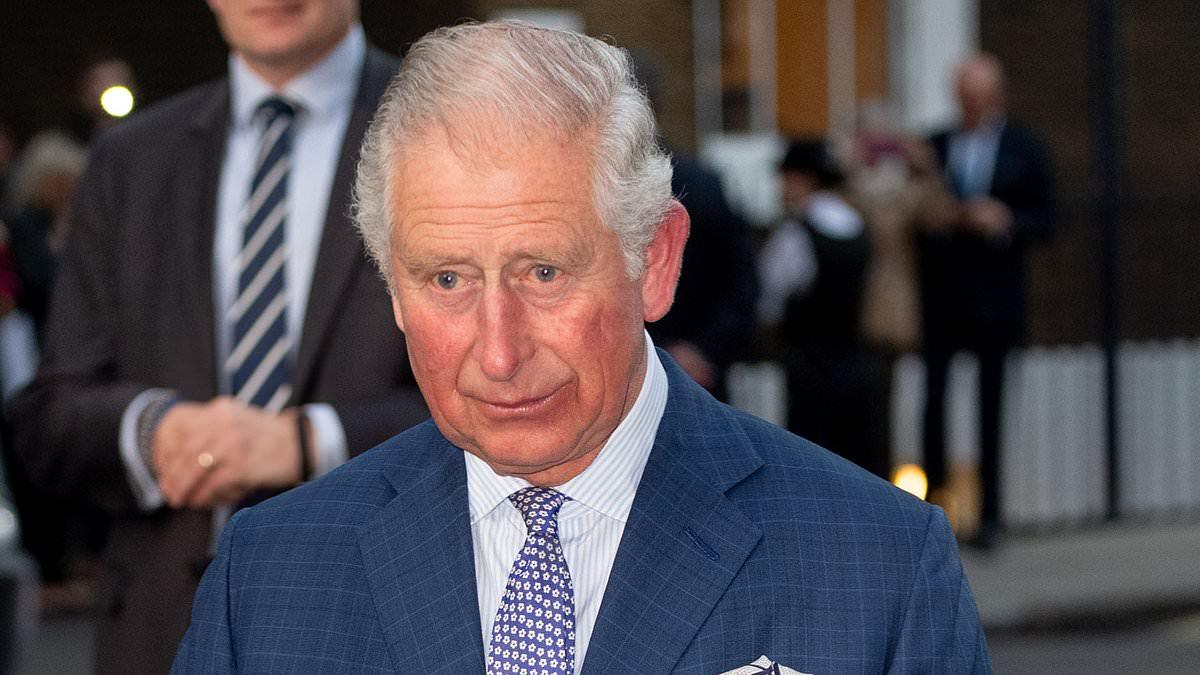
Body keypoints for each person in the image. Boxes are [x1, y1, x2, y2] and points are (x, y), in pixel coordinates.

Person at [173, 21, 989, 674]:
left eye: (545, 270)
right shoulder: (269, 575)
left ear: (656, 260)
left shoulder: (879, 566)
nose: (498, 353)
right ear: (393, 288)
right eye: (448, 279)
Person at [10, 1, 427, 672]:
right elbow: (49, 414)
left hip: (390, 610)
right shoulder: (128, 161)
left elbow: (509, 381)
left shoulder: (443, 130)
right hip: (162, 625)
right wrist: (150, 431)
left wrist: (306, 440)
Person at [919, 53, 1055, 548]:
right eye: (963, 97)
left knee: (992, 407)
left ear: (996, 97)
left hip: (997, 301)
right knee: (934, 405)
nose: (971, 106)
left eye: (979, 98)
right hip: (943, 300)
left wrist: (1006, 220)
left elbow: (1048, 218)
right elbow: (916, 212)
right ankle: (933, 511)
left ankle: (991, 516)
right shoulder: (933, 145)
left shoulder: (1024, 148)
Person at [757, 139, 883, 478]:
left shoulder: (795, 234)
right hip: (857, 369)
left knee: (812, 474)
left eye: (785, 178)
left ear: (804, 179)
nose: (781, 188)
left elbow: (769, 301)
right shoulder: (859, 229)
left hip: (809, 373)